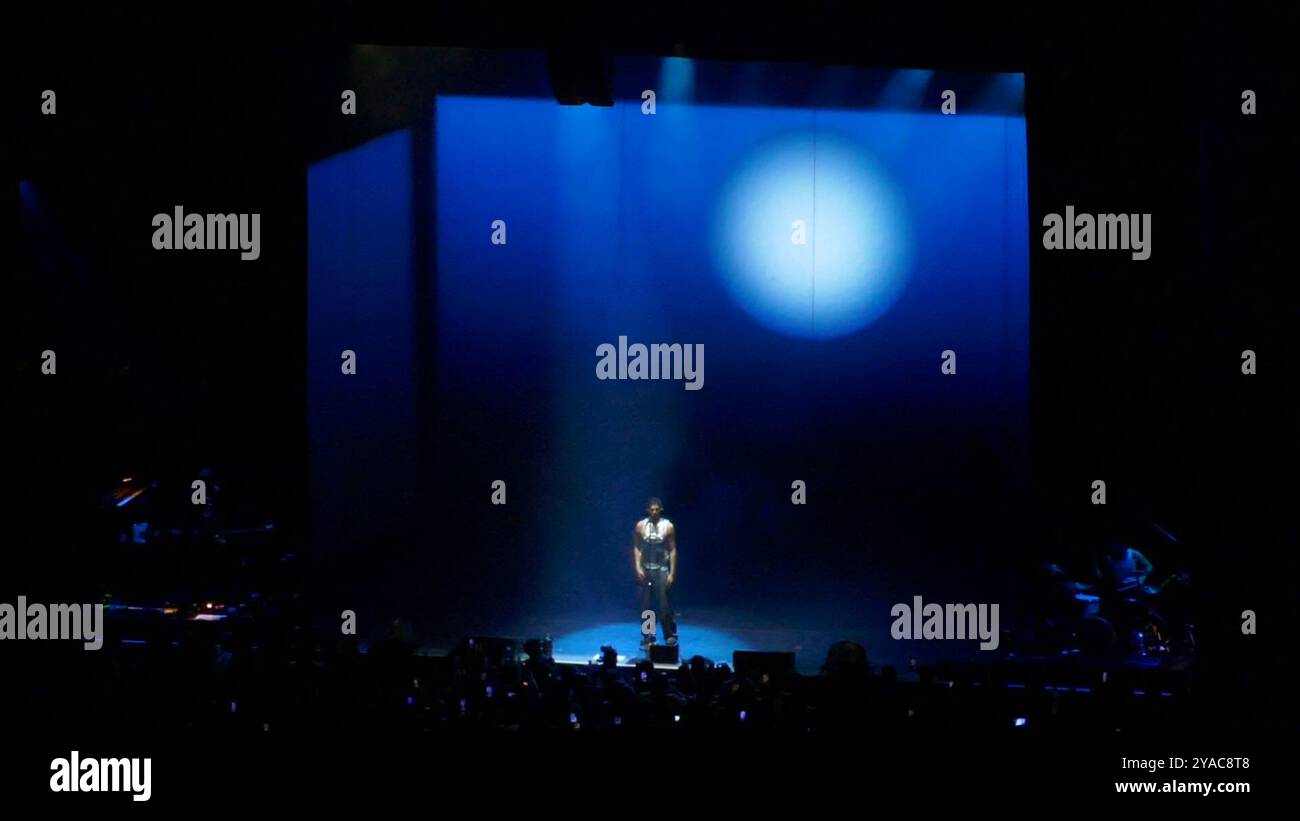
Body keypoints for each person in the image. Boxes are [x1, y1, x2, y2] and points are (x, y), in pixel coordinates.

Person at [632, 497, 677, 651]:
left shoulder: (668, 526)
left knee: (664, 604)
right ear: (648, 510)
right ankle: (648, 635)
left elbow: (672, 549)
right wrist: (637, 567)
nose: (654, 512)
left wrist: (672, 572)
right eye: (652, 509)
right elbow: (637, 547)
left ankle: (669, 634)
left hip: (661, 569)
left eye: (657, 509)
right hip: (646, 568)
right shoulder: (641, 526)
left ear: (661, 510)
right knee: (646, 605)